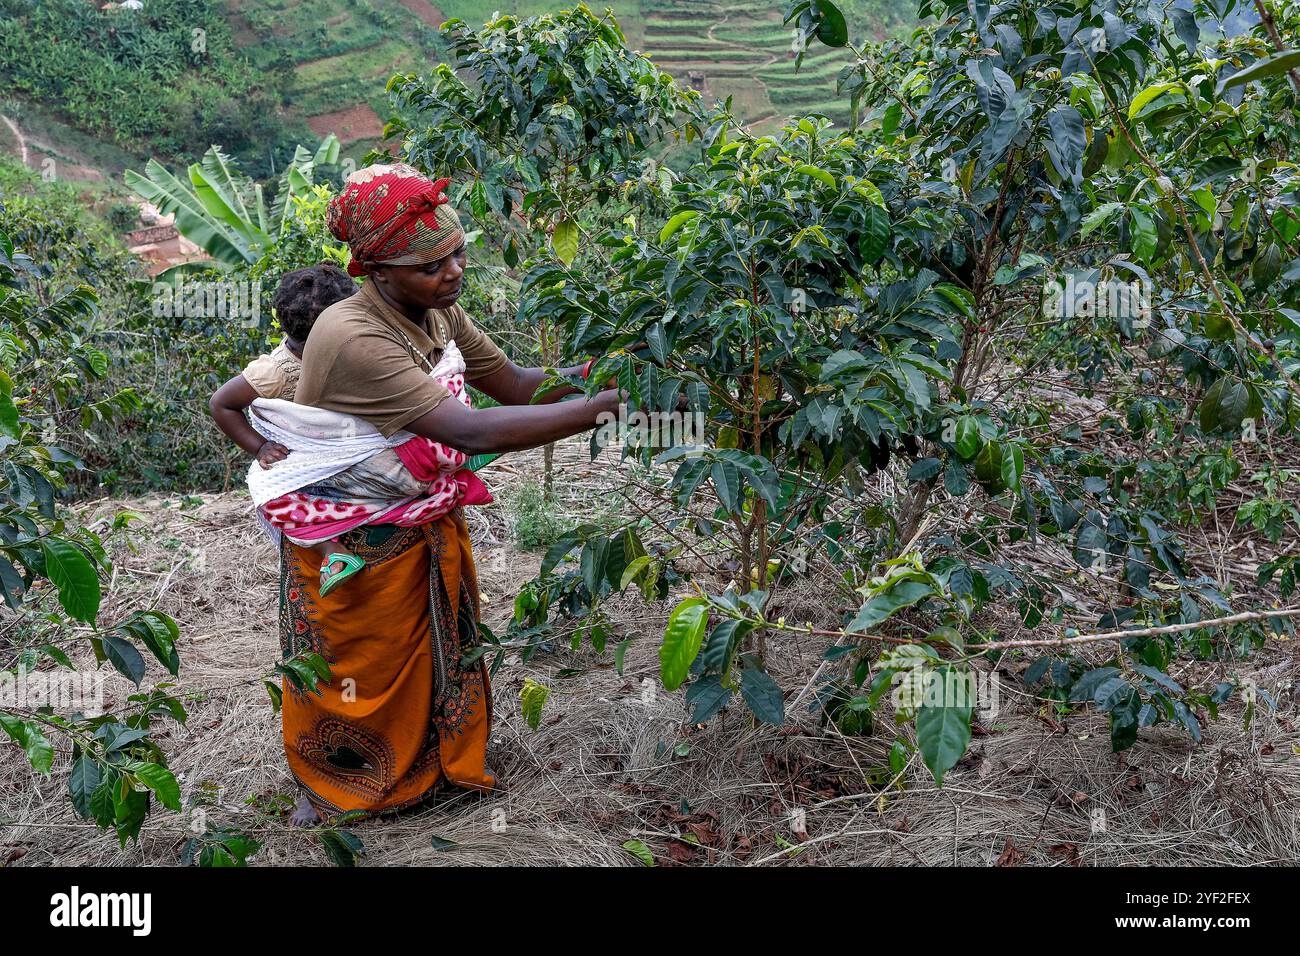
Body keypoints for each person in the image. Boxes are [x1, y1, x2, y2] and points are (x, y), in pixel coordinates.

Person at [274, 163, 622, 826]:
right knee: (363, 667)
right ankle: (343, 786)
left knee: (430, 651)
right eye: (432, 264)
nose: (454, 271)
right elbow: (468, 428)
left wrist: (604, 373)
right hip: (356, 538)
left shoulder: (437, 312)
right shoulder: (354, 336)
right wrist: (606, 408)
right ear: (377, 270)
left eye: (457, 253)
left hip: (417, 517)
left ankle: (426, 772)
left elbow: (518, 386)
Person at [210, 264, 378, 595]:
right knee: (267, 490)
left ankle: (452, 454)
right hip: (310, 458)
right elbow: (222, 403)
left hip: (357, 440)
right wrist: (259, 447)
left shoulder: (358, 346)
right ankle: (331, 552)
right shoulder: (277, 371)